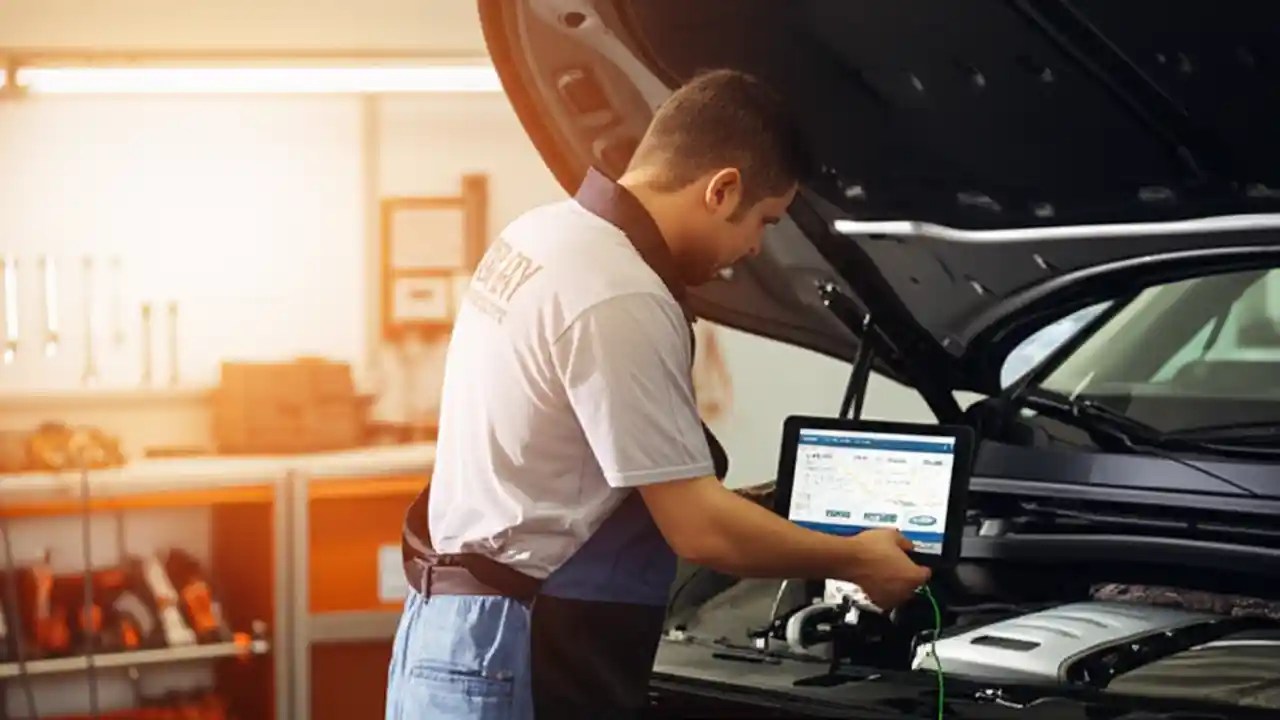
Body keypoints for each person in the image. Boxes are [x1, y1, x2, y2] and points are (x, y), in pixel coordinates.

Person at [385, 68, 931, 720]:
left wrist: (756, 509)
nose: (755, 248)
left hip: (459, 633)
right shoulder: (620, 291)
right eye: (764, 219)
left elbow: (573, 468)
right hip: (521, 645)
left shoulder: (542, 234)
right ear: (722, 189)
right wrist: (858, 559)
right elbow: (699, 530)